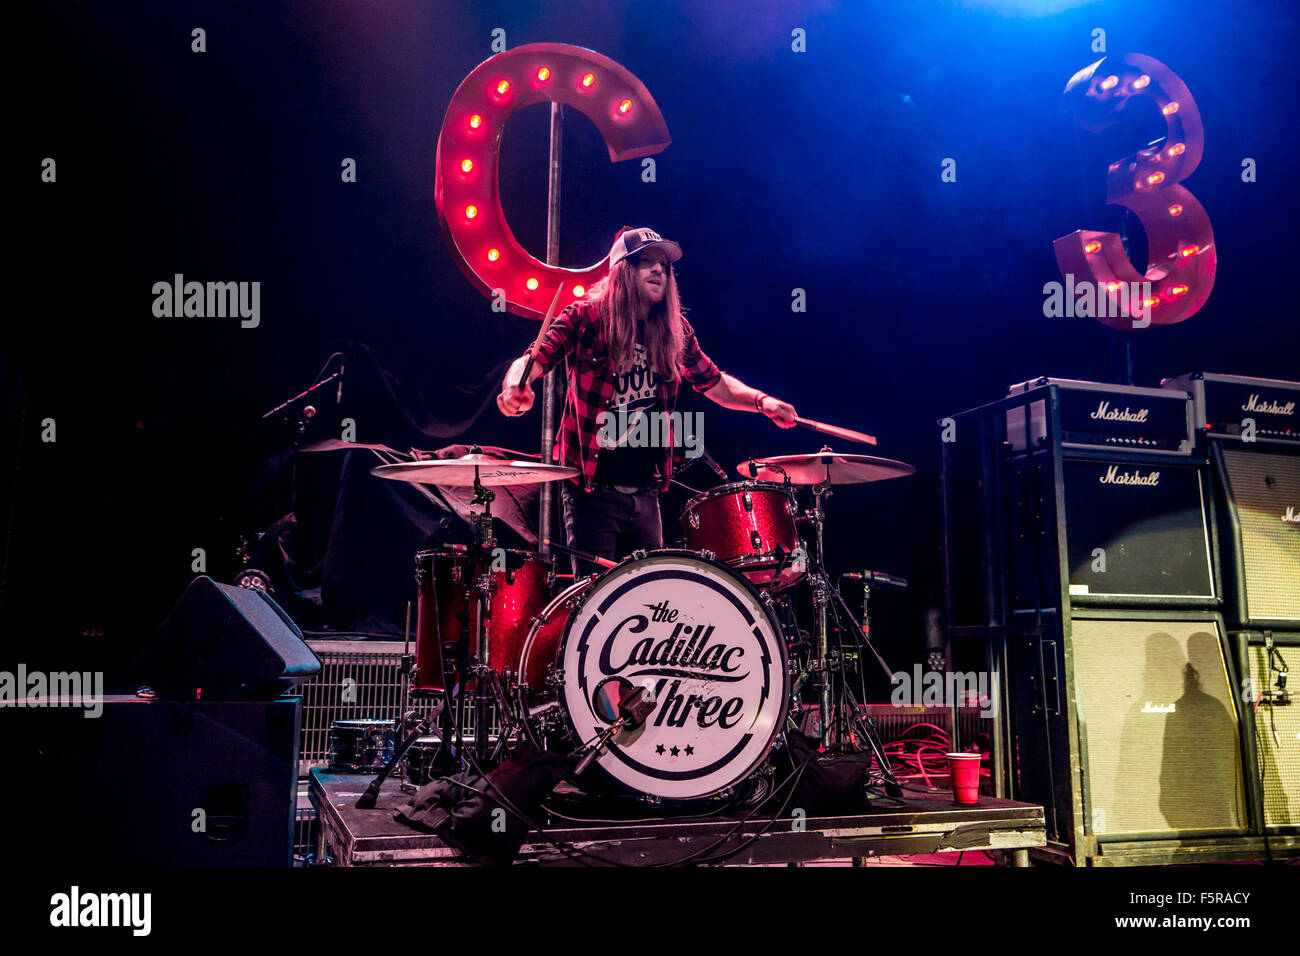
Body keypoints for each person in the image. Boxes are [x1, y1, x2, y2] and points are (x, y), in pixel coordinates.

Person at [498, 227, 797, 575]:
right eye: (646, 262)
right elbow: (534, 359)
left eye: (664, 266)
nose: (659, 270)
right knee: (598, 597)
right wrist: (513, 387)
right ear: (623, 270)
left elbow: (714, 383)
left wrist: (762, 401)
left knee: (647, 597)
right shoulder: (586, 318)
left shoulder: (675, 330)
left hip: (646, 493)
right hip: (592, 491)